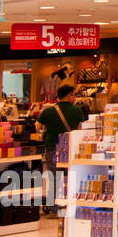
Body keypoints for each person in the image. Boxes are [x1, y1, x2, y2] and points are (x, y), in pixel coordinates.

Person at [36, 83, 88, 213]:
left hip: (52, 147)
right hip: (70, 148)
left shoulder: (48, 110)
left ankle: (53, 205)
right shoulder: (77, 110)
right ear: (69, 96)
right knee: (69, 177)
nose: (75, 97)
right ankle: (68, 203)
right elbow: (81, 128)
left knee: (54, 177)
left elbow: (37, 126)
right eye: (74, 95)